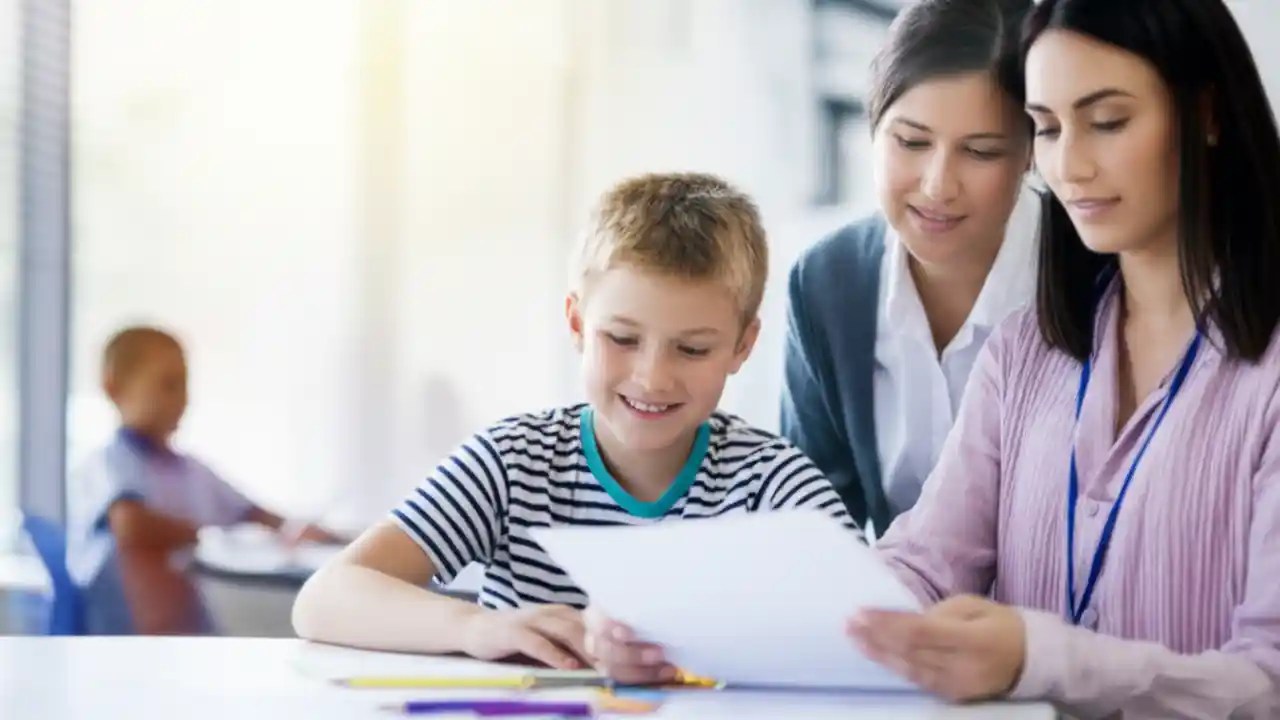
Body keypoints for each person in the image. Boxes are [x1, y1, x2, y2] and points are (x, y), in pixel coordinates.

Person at [589, 1, 1280, 716]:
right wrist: (700, 630)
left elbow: (1271, 682)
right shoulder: (1026, 355)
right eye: (1047, 128)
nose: (1069, 165)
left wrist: (1033, 657)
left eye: (1107, 122)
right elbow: (919, 564)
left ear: (1207, 114)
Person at [291, 173, 858, 670]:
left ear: (742, 346)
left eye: (692, 349)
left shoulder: (769, 479)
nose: (652, 378)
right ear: (577, 322)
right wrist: (475, 628)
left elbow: (873, 624)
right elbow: (325, 598)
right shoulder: (514, 461)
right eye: (622, 338)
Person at [781, 0, 1038, 536]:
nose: (938, 184)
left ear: (1031, 152)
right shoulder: (827, 283)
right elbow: (811, 526)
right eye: (911, 142)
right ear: (873, 127)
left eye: (982, 151)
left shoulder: (1095, 271)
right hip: (895, 610)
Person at [66, 326, 342, 634]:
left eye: (185, 385)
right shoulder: (111, 462)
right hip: (125, 636)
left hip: (180, 631)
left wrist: (312, 533)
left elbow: (253, 513)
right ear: (114, 389)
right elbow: (129, 524)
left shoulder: (189, 470)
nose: (182, 399)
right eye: (168, 385)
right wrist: (204, 535)